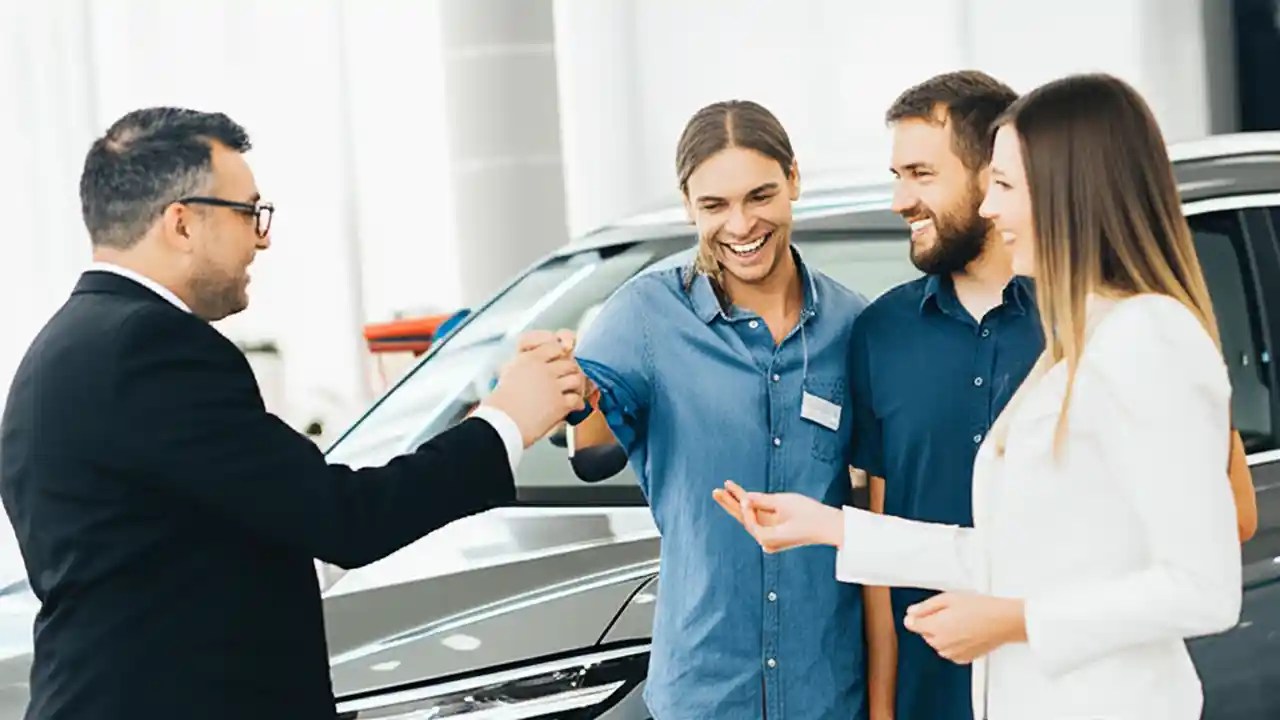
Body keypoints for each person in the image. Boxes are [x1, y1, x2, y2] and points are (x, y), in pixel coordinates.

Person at [0, 107, 585, 720]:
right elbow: (345, 519)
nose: (263, 237)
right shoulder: (152, 348)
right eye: (249, 211)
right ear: (181, 223)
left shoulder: (61, 348)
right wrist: (506, 421)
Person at [720, 73, 1243, 719]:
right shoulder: (1079, 337)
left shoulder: (1148, 337)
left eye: (1004, 186)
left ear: (1067, 191)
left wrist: (1016, 621)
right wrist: (826, 526)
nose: (992, 210)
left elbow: (1205, 590)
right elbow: (1014, 550)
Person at [528, 100, 870, 719]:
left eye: (760, 196)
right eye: (714, 205)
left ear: (794, 180)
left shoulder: (856, 327)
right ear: (688, 204)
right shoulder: (644, 317)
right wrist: (574, 393)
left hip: (829, 690)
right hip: (706, 692)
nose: (741, 225)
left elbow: (879, 511)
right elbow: (593, 452)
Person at [846, 70, 1038, 720]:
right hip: (931, 697)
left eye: (921, 174)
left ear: (992, 173)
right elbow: (880, 544)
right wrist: (884, 707)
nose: (900, 199)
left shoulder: (1088, 317)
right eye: (896, 175)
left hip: (1064, 684)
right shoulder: (880, 333)